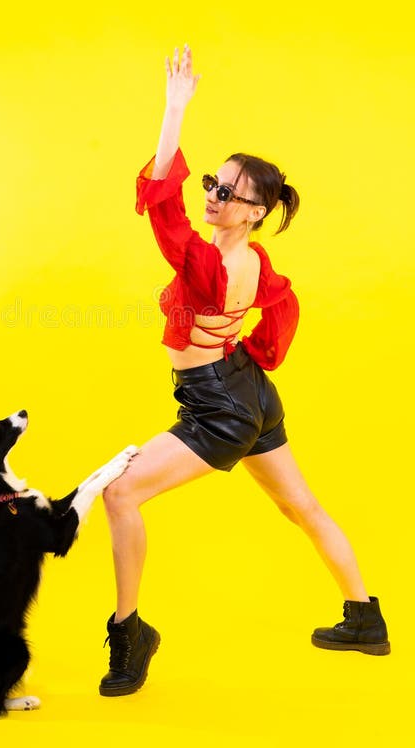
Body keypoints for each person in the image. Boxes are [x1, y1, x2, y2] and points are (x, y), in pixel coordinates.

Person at [98, 44, 390, 698]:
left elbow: (162, 203)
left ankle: (129, 633)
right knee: (302, 507)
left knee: (120, 495)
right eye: (214, 184)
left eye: (228, 193)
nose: (213, 196)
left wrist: (173, 112)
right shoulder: (254, 262)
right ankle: (365, 619)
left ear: (256, 211)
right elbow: (282, 303)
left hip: (216, 409)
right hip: (248, 390)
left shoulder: (209, 264)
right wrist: (256, 358)